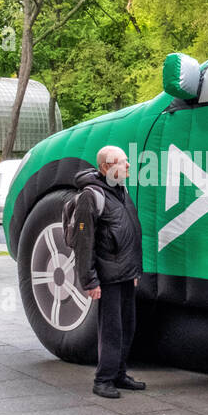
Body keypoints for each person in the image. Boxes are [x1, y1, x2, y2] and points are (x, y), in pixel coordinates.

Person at [71, 145, 146, 399]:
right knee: (111, 330)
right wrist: (89, 280)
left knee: (127, 326)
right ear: (105, 167)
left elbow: (130, 233)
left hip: (126, 274)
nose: (128, 166)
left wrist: (135, 271)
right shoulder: (91, 196)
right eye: (122, 162)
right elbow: (84, 241)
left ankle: (119, 374)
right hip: (107, 277)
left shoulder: (120, 191)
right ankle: (103, 380)